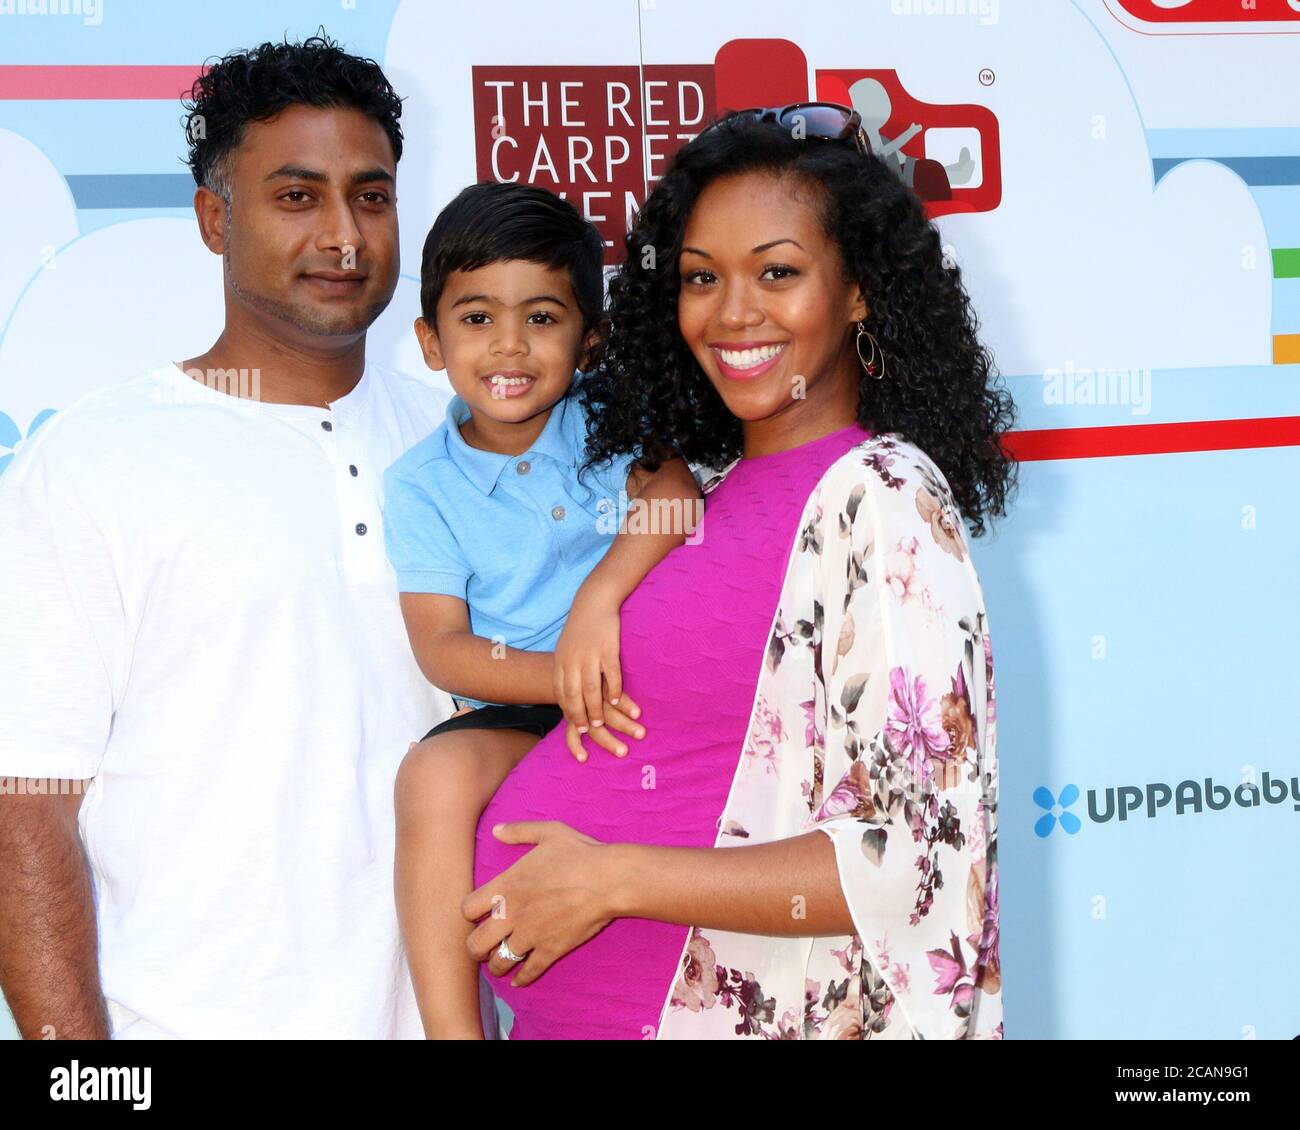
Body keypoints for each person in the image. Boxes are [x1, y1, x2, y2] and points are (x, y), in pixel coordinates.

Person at [461, 104, 1013, 1039]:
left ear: (859, 292)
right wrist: (600, 596)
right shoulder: (698, 491)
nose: (733, 312)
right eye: (700, 279)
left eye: (779, 272)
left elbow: (917, 854)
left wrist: (612, 879)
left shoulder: (880, 497)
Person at [0, 35, 453, 1039]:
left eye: (370, 196)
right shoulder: (93, 462)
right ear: (216, 218)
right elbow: (24, 806)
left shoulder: (460, 444)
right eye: (298, 197)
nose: (343, 233)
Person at [383, 182, 702, 1039]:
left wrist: (599, 604)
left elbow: (675, 496)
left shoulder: (605, 419)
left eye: (543, 318)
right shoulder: (419, 484)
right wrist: (562, 678)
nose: (509, 346)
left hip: (640, 677)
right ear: (430, 339)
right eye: (477, 318)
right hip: (518, 701)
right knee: (434, 778)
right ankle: (456, 1032)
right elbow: (445, 647)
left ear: (589, 340)